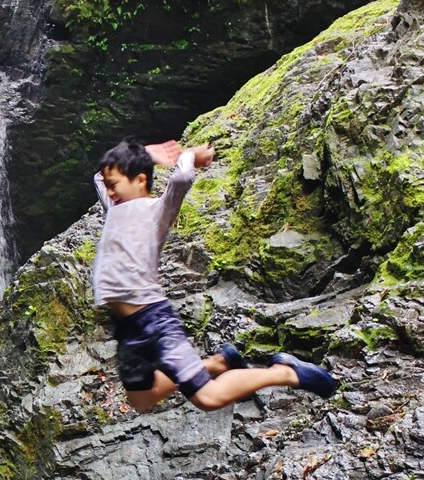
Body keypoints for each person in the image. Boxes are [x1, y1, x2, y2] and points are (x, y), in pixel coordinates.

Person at [91, 138, 338, 413]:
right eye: (110, 188)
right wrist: (145, 153)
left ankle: (285, 372)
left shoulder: (156, 211)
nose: (110, 192)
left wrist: (186, 155)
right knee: (142, 400)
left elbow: (183, 177)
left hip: (154, 320)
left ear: (139, 180)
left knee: (207, 398)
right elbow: (99, 178)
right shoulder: (113, 209)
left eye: (115, 186)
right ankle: (217, 363)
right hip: (127, 328)